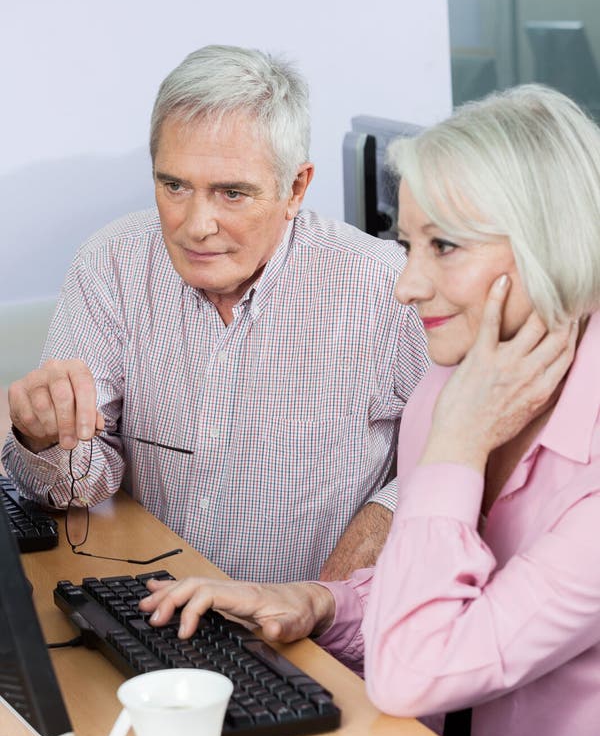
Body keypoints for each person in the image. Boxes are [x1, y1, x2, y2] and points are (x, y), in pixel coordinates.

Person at [139, 84, 600, 736]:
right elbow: (430, 595)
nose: (407, 286)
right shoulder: (447, 394)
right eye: (407, 244)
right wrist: (315, 603)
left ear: (554, 240)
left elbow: (415, 671)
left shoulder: (460, 417)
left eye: (444, 245)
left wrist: (455, 447)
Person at [2, 45, 428, 582]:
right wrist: (41, 439)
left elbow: (457, 456)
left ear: (295, 187)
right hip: (152, 607)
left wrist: (341, 579)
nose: (196, 225)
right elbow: (76, 487)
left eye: (231, 193)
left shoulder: (385, 287)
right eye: (174, 185)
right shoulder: (109, 263)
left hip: (311, 635)